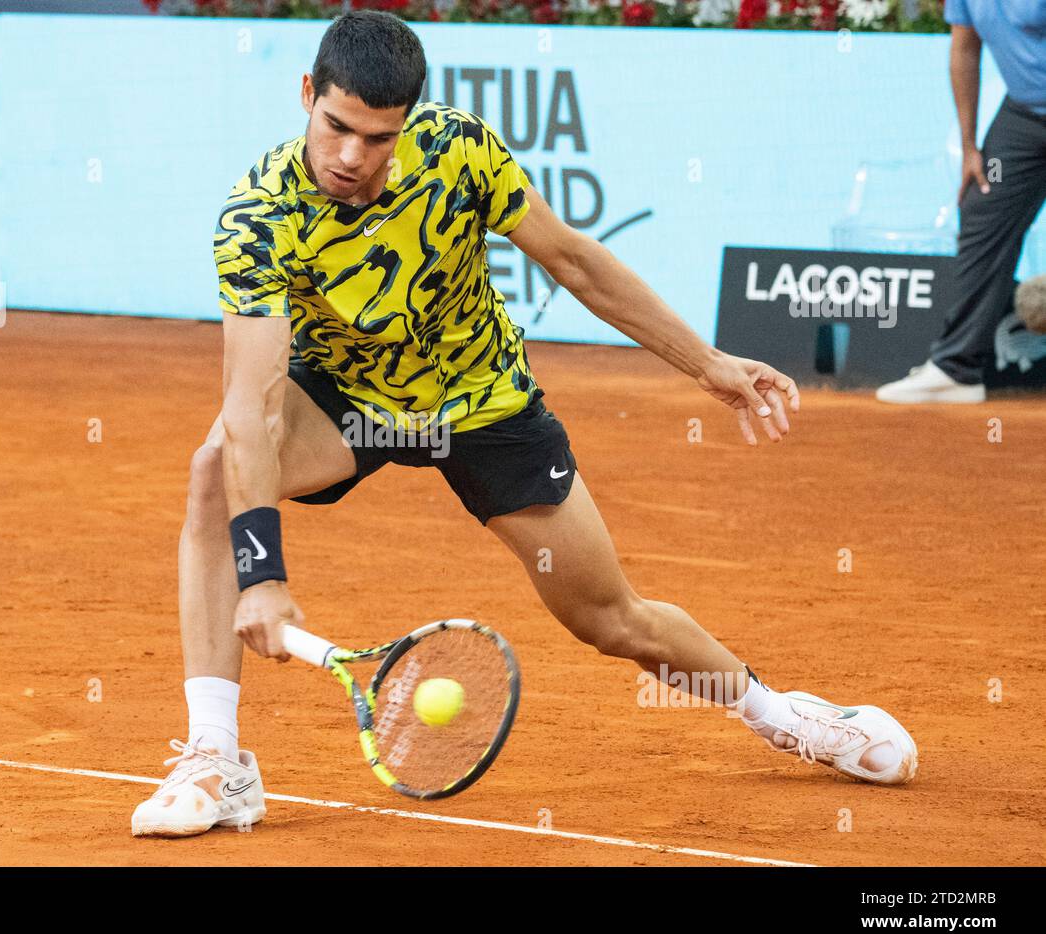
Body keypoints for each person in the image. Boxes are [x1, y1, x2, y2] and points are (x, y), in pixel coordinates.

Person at [132, 11, 918, 839]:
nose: (352, 157)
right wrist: (262, 575)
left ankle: (783, 714)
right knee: (215, 469)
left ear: (408, 124)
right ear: (306, 96)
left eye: (377, 137)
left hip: (482, 400)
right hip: (350, 399)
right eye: (336, 128)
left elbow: (573, 259)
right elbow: (253, 402)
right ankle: (218, 761)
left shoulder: (459, 151)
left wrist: (707, 363)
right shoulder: (258, 217)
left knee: (610, 617)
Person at [877, 0, 1046, 403]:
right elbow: (965, 48)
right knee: (984, 205)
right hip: (1024, 118)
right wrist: (970, 147)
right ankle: (956, 370)